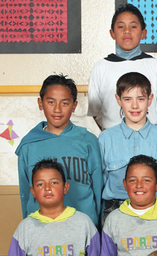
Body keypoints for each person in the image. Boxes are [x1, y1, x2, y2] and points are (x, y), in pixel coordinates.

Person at [16, 75, 103, 225]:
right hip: (42, 227)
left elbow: (98, 189)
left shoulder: (88, 141)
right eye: (51, 102)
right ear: (40, 103)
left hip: (83, 227)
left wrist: (97, 229)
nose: (57, 109)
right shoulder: (28, 145)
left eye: (64, 103)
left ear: (74, 106)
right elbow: (26, 193)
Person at [98, 72, 157, 220]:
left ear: (150, 99)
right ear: (118, 100)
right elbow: (101, 179)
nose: (134, 105)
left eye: (140, 99)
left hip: (155, 207)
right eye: (127, 99)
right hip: (115, 208)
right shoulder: (106, 138)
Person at [86, 3, 157, 131]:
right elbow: (95, 110)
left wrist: (150, 133)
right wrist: (113, 135)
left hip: (149, 137)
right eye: (121, 26)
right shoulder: (100, 67)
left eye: (133, 26)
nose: (127, 31)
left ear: (143, 33)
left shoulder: (156, 66)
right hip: (113, 138)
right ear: (112, 33)